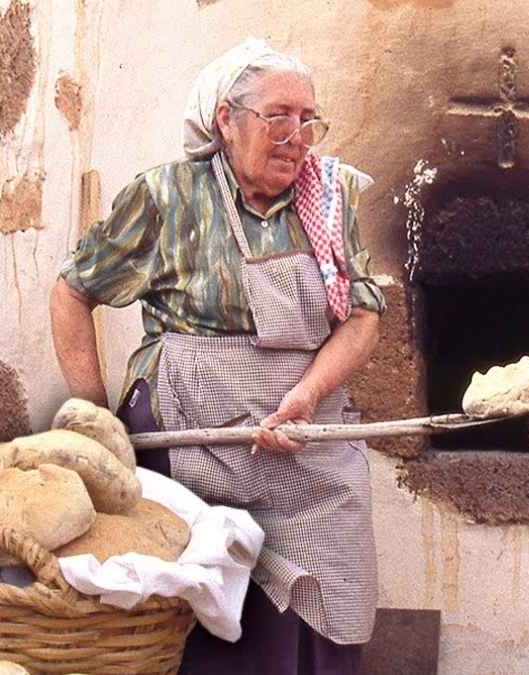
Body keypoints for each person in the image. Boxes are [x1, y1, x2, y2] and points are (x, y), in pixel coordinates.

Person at [49, 39, 385, 675]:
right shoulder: (165, 196)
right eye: (279, 116)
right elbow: (72, 290)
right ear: (226, 120)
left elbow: (363, 319)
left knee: (330, 579)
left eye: (309, 118)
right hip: (192, 430)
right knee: (215, 593)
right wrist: (95, 420)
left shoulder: (330, 198)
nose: (298, 135)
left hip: (302, 429)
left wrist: (308, 394)